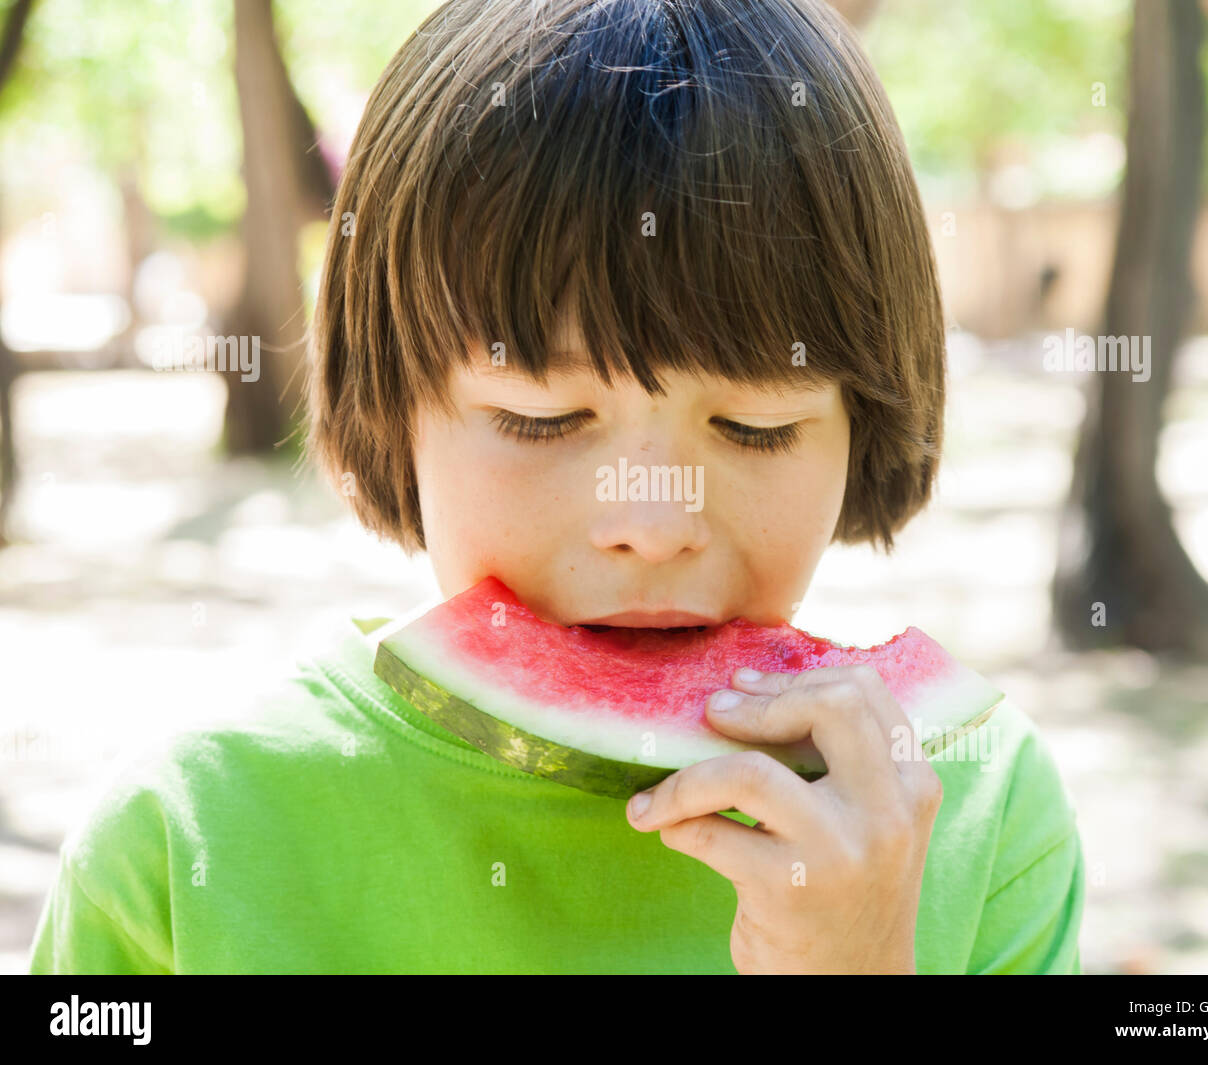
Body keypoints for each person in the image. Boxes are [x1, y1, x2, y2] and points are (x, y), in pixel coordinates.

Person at [28, 0, 1084, 974]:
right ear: (392, 407)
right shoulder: (187, 836)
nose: (652, 522)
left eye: (756, 428)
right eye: (542, 418)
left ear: (864, 427)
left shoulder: (977, 820)